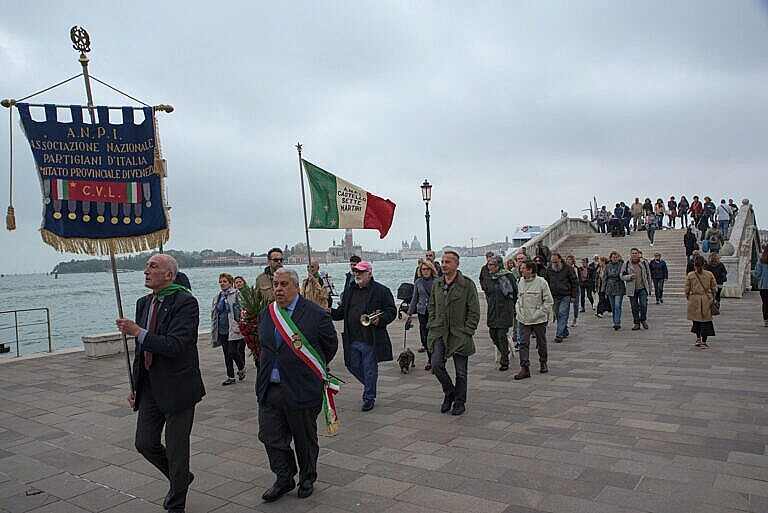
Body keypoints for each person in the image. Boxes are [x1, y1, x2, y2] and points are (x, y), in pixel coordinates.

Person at [115, 254, 205, 513]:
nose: (146, 270)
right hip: (150, 387)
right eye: (146, 266)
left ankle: (176, 503)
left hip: (178, 387)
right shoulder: (143, 303)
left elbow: (176, 345)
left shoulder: (186, 302)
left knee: (177, 449)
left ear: (168, 275)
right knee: (144, 443)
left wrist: (137, 331)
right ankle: (181, 479)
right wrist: (135, 387)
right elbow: (140, 351)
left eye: (153, 266)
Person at [256, 267, 338, 502]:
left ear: (295, 286)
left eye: (283, 285)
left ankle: (307, 477)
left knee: (304, 438)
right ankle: (284, 477)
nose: (278, 289)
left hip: (301, 388)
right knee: (269, 436)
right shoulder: (267, 313)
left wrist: (305, 370)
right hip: (270, 388)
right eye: (276, 285)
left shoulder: (315, 314)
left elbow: (329, 347)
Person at [332, 260, 395, 412]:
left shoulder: (381, 290)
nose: (357, 274)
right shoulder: (349, 291)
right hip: (352, 337)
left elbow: (391, 310)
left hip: (370, 338)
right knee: (352, 366)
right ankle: (369, 386)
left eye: (360, 272)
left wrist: (380, 319)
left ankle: (369, 397)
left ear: (369, 273)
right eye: (356, 272)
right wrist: (328, 312)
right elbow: (341, 312)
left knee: (369, 369)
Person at [427, 251, 480, 416]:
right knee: (436, 365)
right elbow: (432, 305)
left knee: (461, 372)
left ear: (457, 264)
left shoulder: (467, 285)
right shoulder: (437, 284)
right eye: (442, 262)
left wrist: (468, 330)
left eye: (447, 262)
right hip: (439, 331)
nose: (443, 265)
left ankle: (459, 402)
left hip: (459, 334)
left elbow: (474, 311)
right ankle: (449, 392)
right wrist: (432, 322)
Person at [514, 260, 553, 380]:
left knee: (541, 342)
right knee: (523, 343)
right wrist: (517, 309)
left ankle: (543, 362)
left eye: (524, 268)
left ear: (530, 270)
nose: (521, 270)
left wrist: (540, 313)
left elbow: (548, 301)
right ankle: (524, 368)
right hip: (523, 318)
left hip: (538, 319)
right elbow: (518, 298)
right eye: (521, 268)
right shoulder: (520, 281)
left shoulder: (541, 282)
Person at [212, 273, 246, 386]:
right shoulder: (218, 296)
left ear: (230, 283)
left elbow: (242, 308)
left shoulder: (236, 294)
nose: (222, 283)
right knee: (226, 354)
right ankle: (230, 376)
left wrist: (241, 323)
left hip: (233, 327)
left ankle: (241, 368)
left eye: (224, 281)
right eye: (220, 281)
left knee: (232, 351)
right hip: (221, 328)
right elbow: (215, 313)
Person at [484, 255, 517, 372]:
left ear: (498, 266)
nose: (489, 267)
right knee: (493, 334)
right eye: (488, 265)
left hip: (505, 310)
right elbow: (487, 291)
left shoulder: (508, 276)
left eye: (491, 265)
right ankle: (504, 351)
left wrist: (512, 307)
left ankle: (504, 360)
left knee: (502, 335)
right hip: (493, 310)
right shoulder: (489, 277)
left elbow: (515, 292)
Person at [406, 259, 438, 370]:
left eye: (427, 269)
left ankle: (433, 360)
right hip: (422, 312)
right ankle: (430, 358)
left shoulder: (437, 281)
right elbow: (414, 298)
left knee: (432, 336)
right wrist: (409, 313)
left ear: (431, 269)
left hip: (434, 313)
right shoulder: (418, 282)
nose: (425, 271)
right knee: (425, 337)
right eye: (423, 269)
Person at [685, 255, 717, 348]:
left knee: (696, 321)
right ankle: (704, 341)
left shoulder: (690, 275)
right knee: (706, 321)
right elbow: (714, 288)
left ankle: (698, 339)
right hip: (706, 299)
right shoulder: (709, 274)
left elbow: (687, 289)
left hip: (694, 299)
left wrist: (688, 297)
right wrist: (712, 297)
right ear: (704, 264)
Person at [546, 253, 578, 343]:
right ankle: (564, 330)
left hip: (565, 295)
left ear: (560, 259)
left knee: (562, 313)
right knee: (557, 314)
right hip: (554, 296)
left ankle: (558, 335)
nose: (554, 263)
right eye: (552, 261)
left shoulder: (568, 269)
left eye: (555, 261)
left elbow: (575, 282)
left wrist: (573, 295)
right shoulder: (549, 269)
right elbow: (546, 282)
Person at [621, 248, 652, 331]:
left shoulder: (644, 263)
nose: (634, 254)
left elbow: (648, 275)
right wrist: (629, 276)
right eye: (633, 253)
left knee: (644, 304)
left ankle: (643, 319)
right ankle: (636, 323)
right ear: (630, 254)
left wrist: (650, 288)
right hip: (632, 289)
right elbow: (622, 276)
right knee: (634, 307)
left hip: (642, 288)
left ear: (638, 254)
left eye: (636, 253)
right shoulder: (626, 264)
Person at [602, 251, 626, 330]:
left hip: (619, 286)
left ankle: (617, 322)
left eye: (616, 257)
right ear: (611, 258)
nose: (615, 259)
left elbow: (624, 274)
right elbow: (605, 278)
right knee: (613, 306)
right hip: (610, 287)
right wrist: (603, 289)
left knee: (617, 305)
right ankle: (615, 321)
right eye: (613, 257)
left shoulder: (622, 265)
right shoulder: (607, 266)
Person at [751, 246, 768, 327]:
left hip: (764, 286)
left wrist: (752, 272)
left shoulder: (761, 260)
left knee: (765, 303)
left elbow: (757, 274)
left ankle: (766, 321)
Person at [565, 254, 580, 326]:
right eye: (567, 259)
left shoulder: (576, 268)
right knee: (566, 305)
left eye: (570, 259)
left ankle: (575, 318)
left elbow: (577, 279)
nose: (568, 261)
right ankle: (566, 319)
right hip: (567, 288)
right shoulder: (564, 269)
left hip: (575, 288)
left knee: (576, 304)